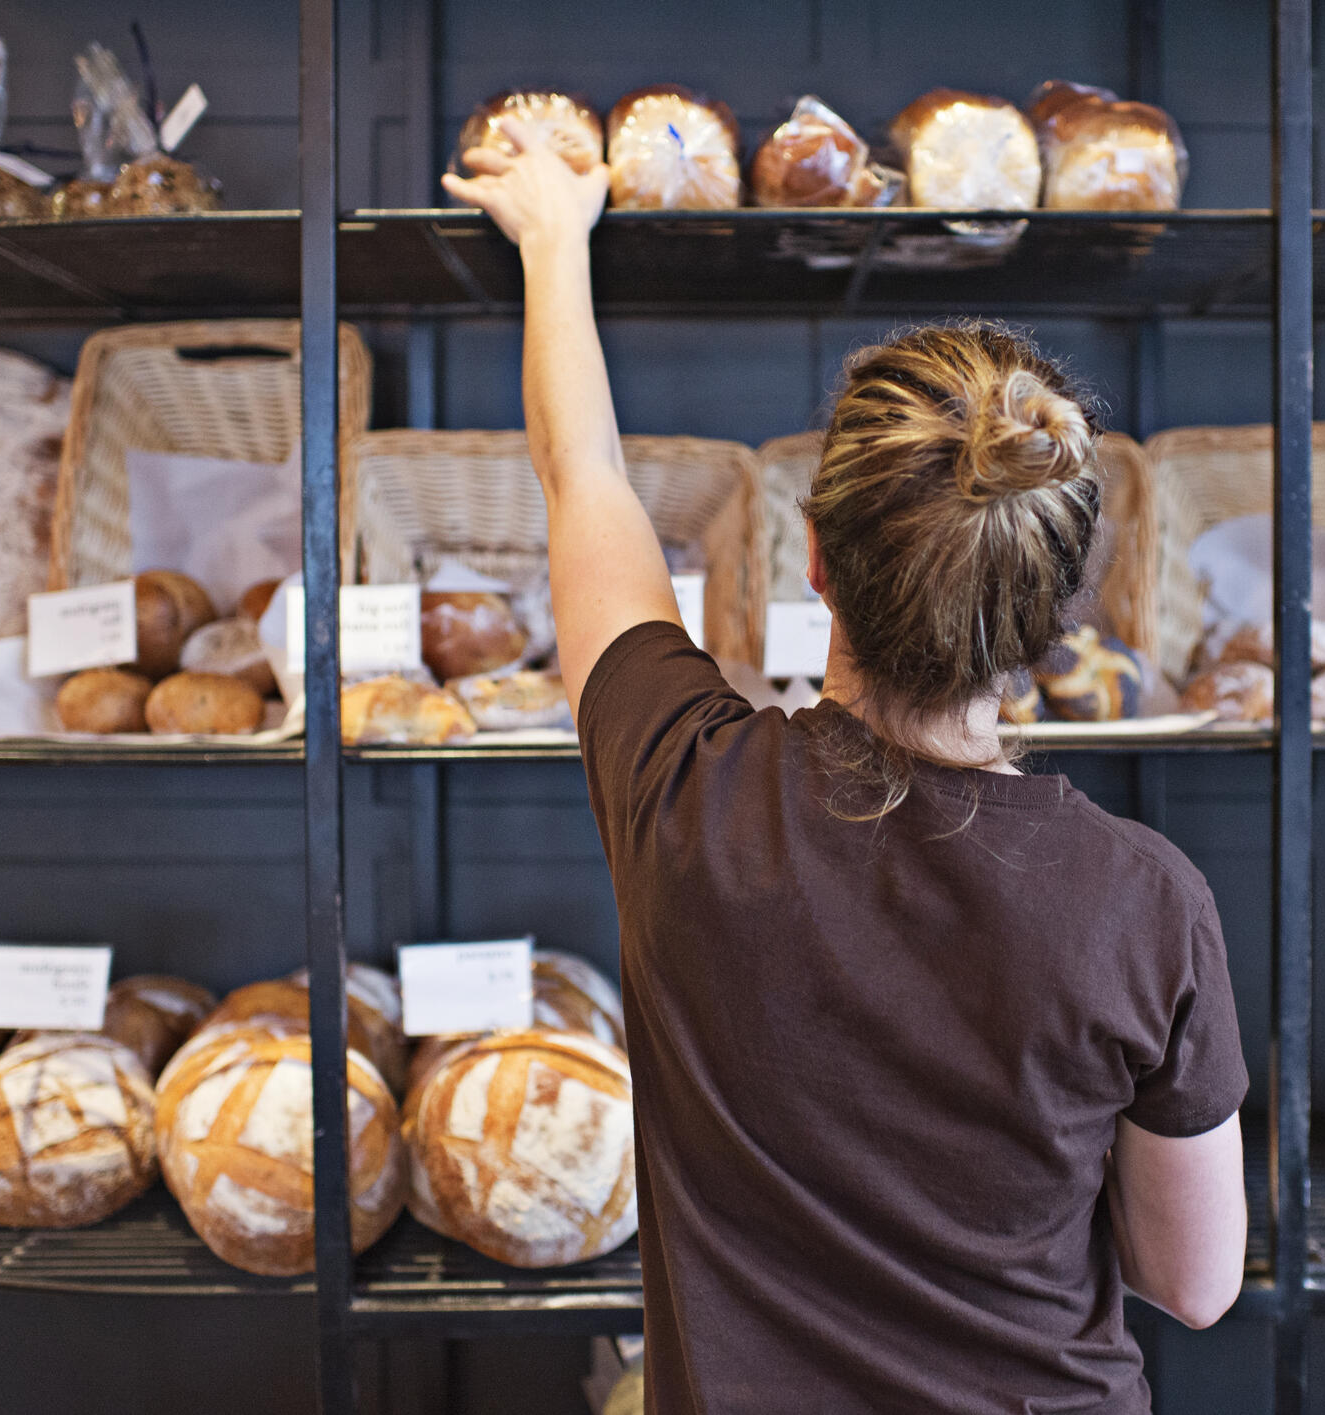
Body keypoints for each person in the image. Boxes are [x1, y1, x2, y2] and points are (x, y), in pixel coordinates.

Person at [445, 122, 1248, 1414]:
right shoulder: (1146, 901)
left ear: (815, 558)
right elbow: (1193, 1282)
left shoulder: (685, 789)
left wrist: (553, 239)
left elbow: (580, 474)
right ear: (1055, 607)